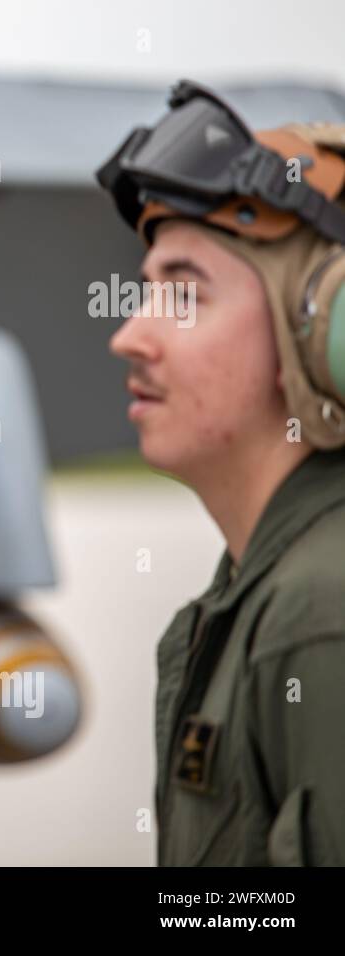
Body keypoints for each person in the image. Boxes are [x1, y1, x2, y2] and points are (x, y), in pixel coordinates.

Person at [98, 79, 345, 865]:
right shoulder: (264, 584)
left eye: (184, 293)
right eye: (146, 292)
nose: (130, 336)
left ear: (324, 333)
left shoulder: (320, 613)